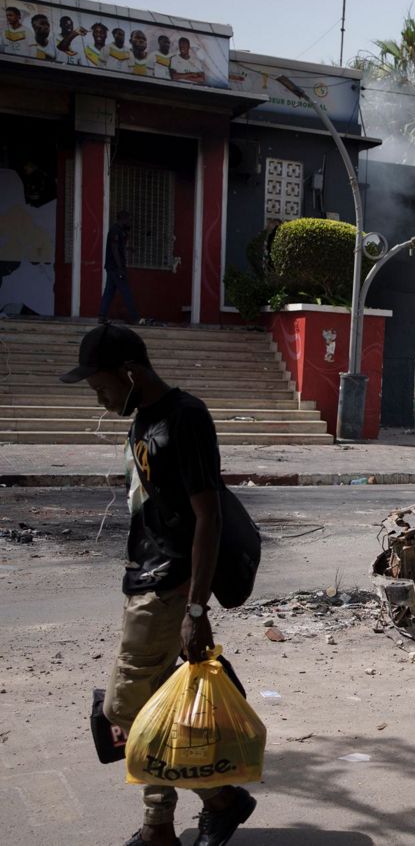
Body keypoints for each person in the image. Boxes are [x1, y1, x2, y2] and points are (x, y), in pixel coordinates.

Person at [59, 324, 256, 846]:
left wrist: (194, 609)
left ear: (129, 372)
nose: (101, 401)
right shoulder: (142, 418)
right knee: (154, 708)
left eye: (102, 389)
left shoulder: (185, 417)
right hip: (146, 578)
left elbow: (207, 516)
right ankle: (169, 823)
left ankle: (209, 805)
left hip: (167, 586)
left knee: (124, 711)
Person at [100, 210, 141, 324]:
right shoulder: (115, 230)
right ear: (123, 218)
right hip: (115, 267)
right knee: (126, 291)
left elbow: (120, 246)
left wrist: (129, 248)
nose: (129, 222)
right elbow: (114, 250)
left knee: (109, 291)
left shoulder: (121, 231)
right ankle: (135, 317)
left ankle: (102, 315)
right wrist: (120, 268)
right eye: (128, 219)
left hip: (112, 267)